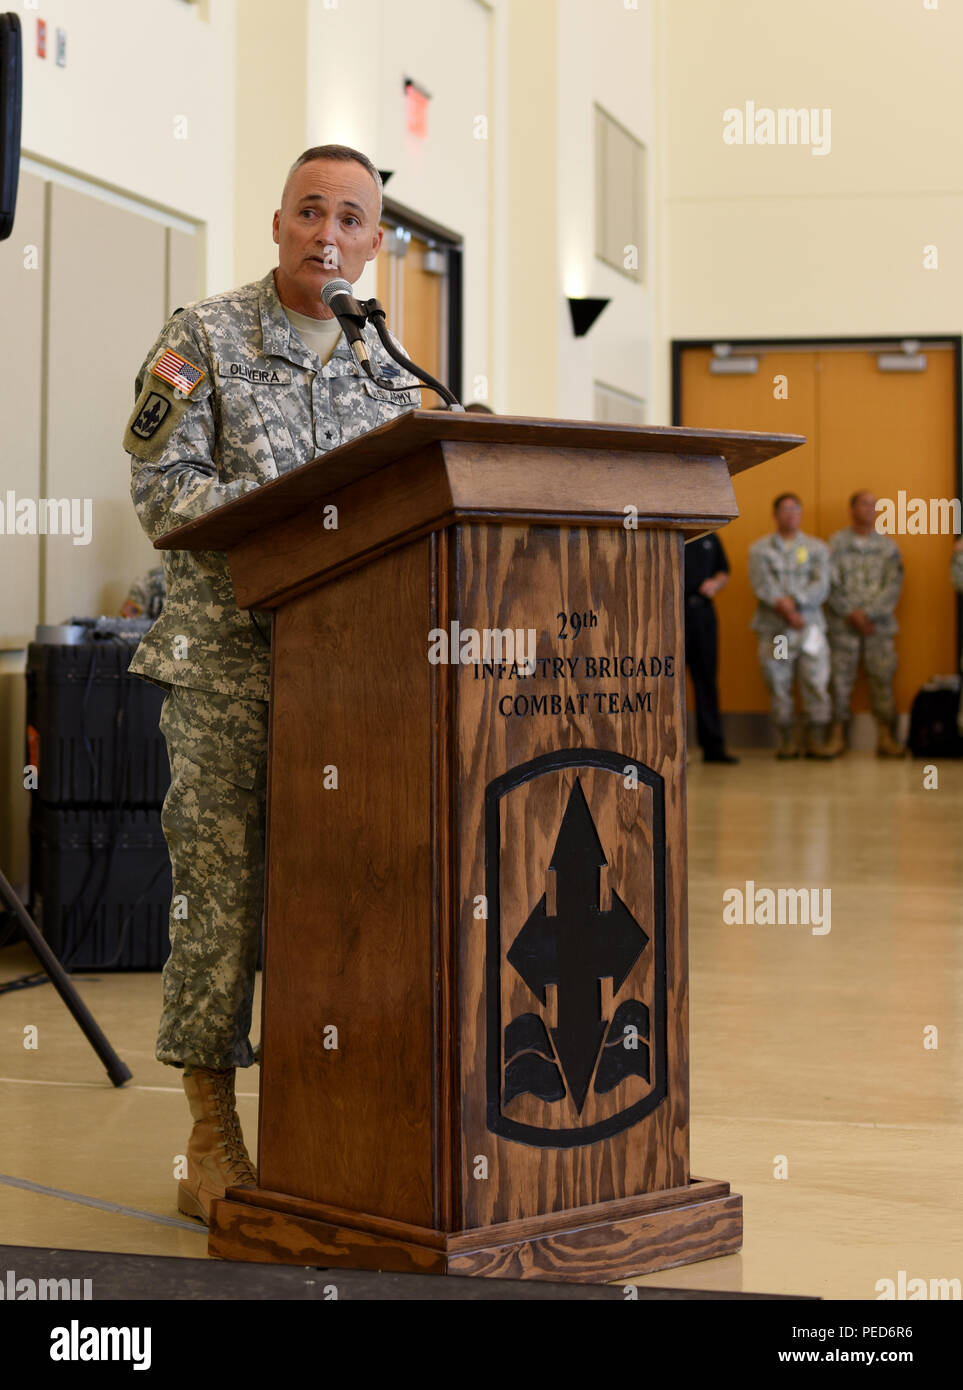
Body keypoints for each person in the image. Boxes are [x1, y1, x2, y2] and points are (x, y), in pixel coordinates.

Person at [123, 145, 422, 1225]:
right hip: (227, 669)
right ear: (279, 223)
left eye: (351, 217)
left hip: (351, 676)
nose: (328, 233)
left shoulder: (386, 363)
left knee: (341, 898)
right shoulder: (199, 337)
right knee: (222, 894)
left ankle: (333, 1115)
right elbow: (165, 492)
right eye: (310, 212)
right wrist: (299, 509)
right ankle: (212, 1127)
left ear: (375, 240)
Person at [748, 492, 836, 759]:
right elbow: (762, 584)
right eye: (785, 510)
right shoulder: (760, 549)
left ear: (801, 513)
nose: (790, 514)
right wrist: (785, 609)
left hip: (809, 628)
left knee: (815, 681)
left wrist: (797, 602)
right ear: (775, 515)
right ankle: (787, 741)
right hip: (777, 631)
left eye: (795, 509)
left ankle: (816, 740)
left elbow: (822, 584)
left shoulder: (817, 548)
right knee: (779, 682)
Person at [824, 491, 905, 757]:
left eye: (873, 505)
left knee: (882, 678)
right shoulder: (836, 543)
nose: (869, 509)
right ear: (852, 509)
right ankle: (837, 736)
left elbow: (893, 586)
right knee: (838, 681)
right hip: (842, 626)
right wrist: (851, 613)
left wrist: (869, 614)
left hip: (878, 627)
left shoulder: (888, 547)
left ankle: (885, 736)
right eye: (864, 504)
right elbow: (829, 583)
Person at [684, 533, 738, 763]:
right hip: (670, 609)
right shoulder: (668, 530)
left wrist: (715, 583)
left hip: (702, 612)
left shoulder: (709, 536)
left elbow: (723, 571)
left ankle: (713, 747)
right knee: (667, 682)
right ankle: (671, 746)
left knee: (706, 679)